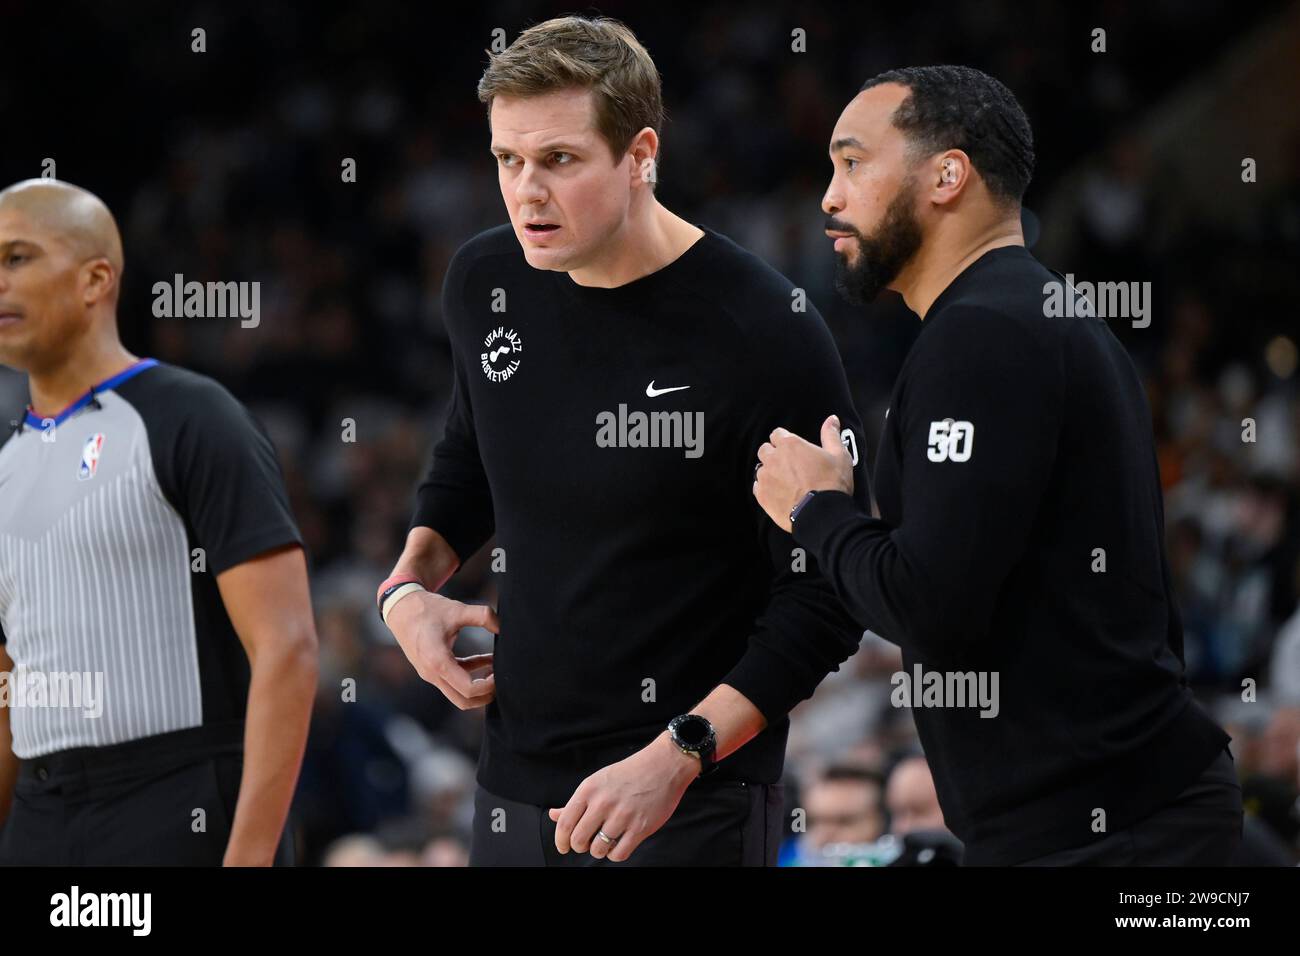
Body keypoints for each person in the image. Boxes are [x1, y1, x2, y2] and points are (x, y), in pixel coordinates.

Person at [377, 16, 868, 866]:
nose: (527, 191)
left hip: (688, 800)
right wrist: (407, 589)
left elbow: (826, 598)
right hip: (512, 788)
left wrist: (677, 757)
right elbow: (470, 451)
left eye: (559, 160)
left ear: (640, 155)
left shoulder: (763, 329)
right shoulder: (487, 279)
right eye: (507, 160)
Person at [753, 65, 1241, 865]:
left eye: (852, 162)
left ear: (948, 175)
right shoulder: (1036, 315)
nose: (828, 198)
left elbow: (927, 604)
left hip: (1111, 829)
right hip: (1112, 815)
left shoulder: (983, 336)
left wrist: (817, 511)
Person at [0, 179, 317, 865]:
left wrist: (252, 856)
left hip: (179, 801)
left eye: (17, 258)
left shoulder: (193, 418)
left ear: (95, 280)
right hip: (40, 812)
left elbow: (287, 648)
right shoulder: (6, 462)